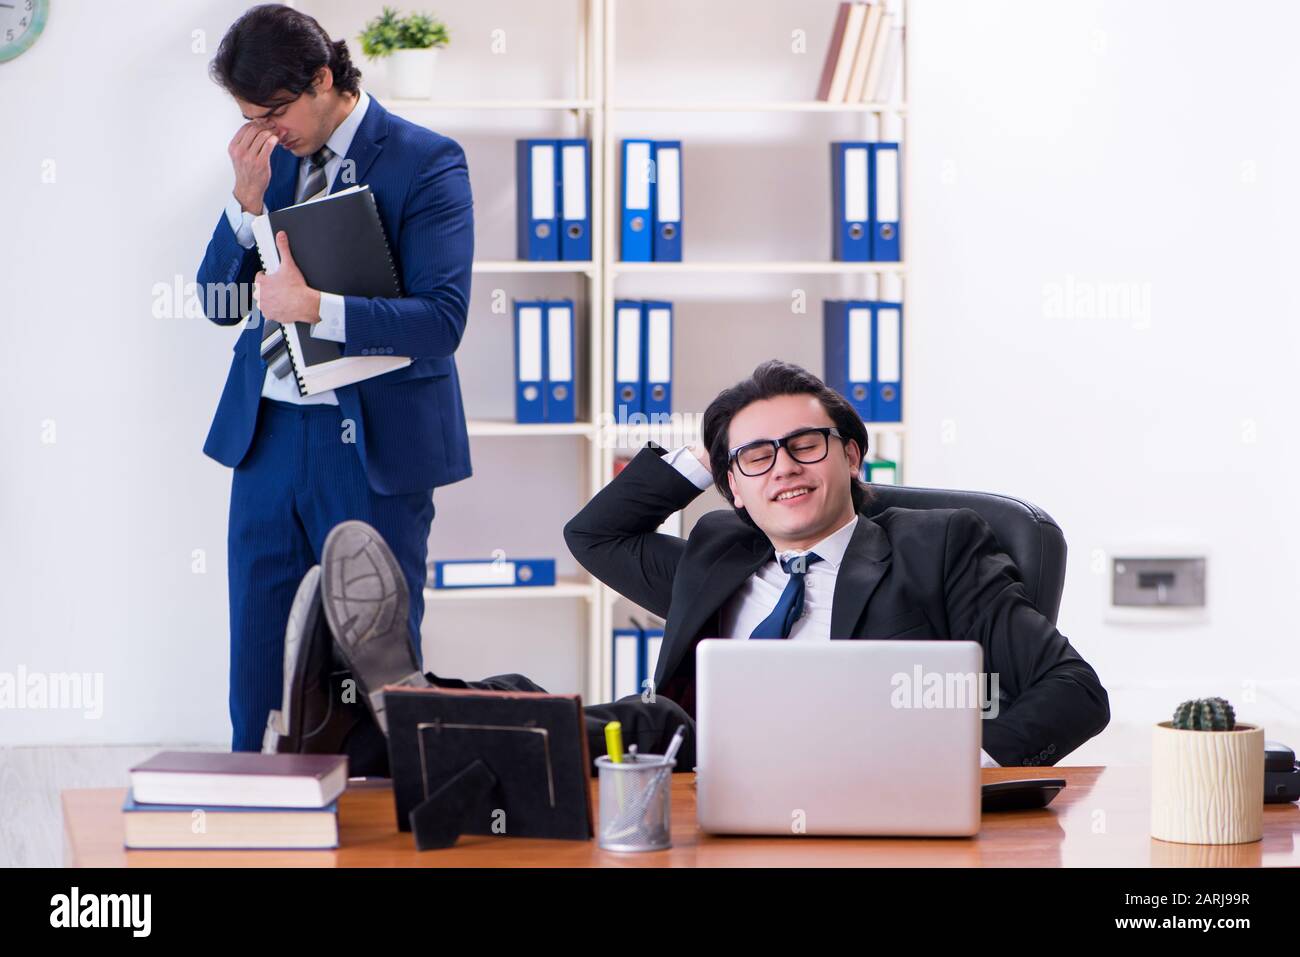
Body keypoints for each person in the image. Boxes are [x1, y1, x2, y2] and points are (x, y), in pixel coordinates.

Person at [269, 360, 1109, 774]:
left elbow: (1076, 690)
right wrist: (710, 454)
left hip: (850, 773)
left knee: (619, 730)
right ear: (735, 488)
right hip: (692, 764)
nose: (784, 466)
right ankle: (378, 721)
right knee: (562, 713)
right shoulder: (722, 548)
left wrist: (966, 767)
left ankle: (389, 716)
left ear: (854, 456)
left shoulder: (941, 544)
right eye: (758, 458)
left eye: (806, 444)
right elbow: (593, 534)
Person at [196, 4, 474, 752]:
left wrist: (317, 306)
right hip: (268, 439)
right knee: (255, 661)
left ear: (324, 79)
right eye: (251, 116)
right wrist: (241, 201)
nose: (267, 130)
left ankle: (381, 820)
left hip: (371, 444)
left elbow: (443, 320)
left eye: (277, 111)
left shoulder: (427, 158)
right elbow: (218, 305)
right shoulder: (268, 161)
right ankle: (255, 812)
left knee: (373, 660)